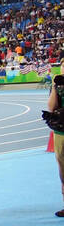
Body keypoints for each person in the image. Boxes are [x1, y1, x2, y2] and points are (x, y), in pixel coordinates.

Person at [46, 73, 64, 217]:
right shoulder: (59, 85)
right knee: (63, 170)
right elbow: (52, 107)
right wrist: (54, 86)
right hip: (61, 133)